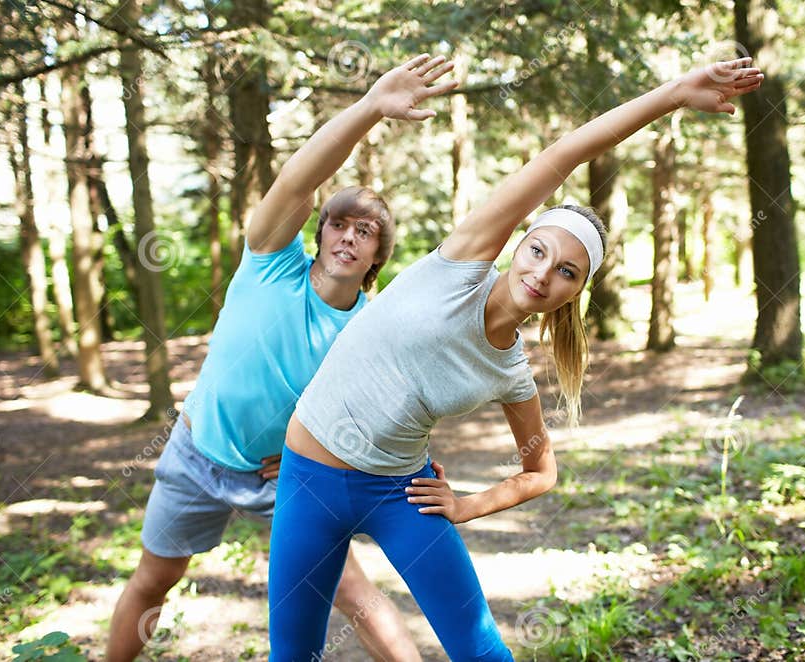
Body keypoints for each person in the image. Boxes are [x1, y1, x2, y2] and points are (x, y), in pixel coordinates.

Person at [266, 57, 764, 660]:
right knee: (292, 654)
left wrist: (470, 505)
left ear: (575, 294)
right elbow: (566, 154)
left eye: (566, 272)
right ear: (517, 245)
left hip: (401, 491)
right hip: (308, 476)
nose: (542, 272)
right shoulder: (461, 263)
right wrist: (675, 94)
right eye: (537, 250)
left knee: (481, 651)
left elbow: (541, 471)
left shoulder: (510, 370)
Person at [106, 53, 460, 661]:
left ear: (377, 256)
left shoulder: (368, 330)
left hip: (288, 475)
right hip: (197, 451)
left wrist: (419, 471)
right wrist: (371, 107)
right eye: (339, 224)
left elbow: (390, 413)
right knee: (153, 579)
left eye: (366, 231)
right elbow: (298, 180)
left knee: (352, 591)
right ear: (318, 232)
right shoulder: (269, 261)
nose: (349, 235)